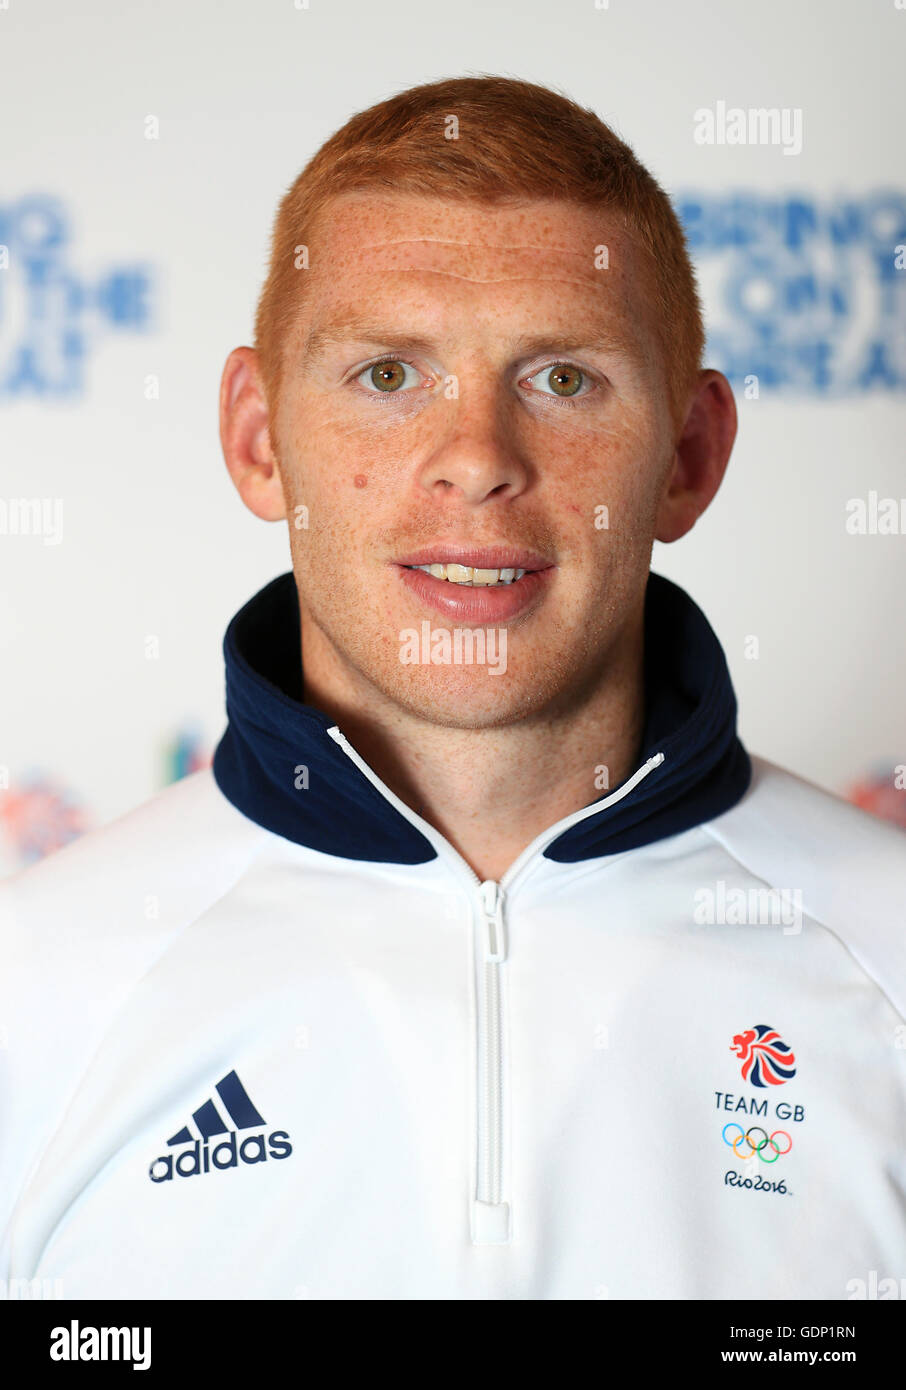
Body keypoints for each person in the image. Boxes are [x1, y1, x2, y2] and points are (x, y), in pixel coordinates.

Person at [2, 75, 904, 1301]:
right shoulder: (35, 990)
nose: (479, 458)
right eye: (386, 375)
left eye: (564, 379)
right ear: (260, 438)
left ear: (689, 458)